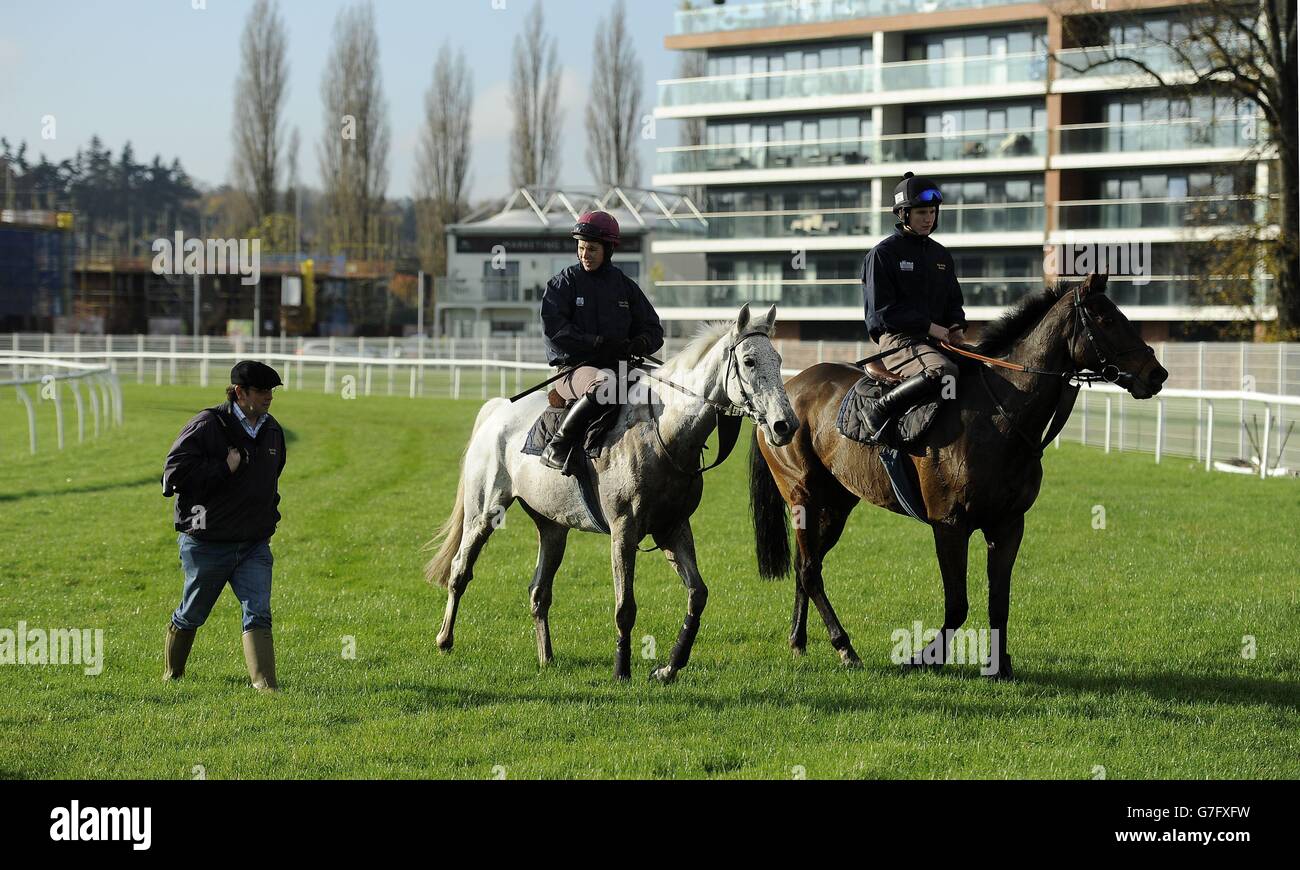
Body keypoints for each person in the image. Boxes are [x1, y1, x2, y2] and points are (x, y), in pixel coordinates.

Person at [160, 360, 287, 692]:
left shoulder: (273, 430)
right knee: (192, 614)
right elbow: (172, 476)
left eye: (271, 391)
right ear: (240, 392)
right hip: (207, 543)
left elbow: (272, 479)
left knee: (258, 610)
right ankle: (173, 675)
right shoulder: (207, 425)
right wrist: (223, 468)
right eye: (261, 391)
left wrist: (268, 517)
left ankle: (266, 687)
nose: (268, 397)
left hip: (254, 545)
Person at [538, 210, 664, 471]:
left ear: (608, 249)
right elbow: (555, 331)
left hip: (620, 368)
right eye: (581, 248)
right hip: (573, 371)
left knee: (663, 385)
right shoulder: (563, 284)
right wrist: (597, 343)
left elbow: (653, 329)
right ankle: (558, 446)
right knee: (606, 384)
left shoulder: (625, 286)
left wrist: (639, 343)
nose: (585, 255)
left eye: (592, 249)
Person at [861, 172, 967, 441]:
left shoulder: (941, 254)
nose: (929, 218)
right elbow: (883, 312)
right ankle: (879, 410)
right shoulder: (882, 255)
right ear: (903, 215)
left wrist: (956, 326)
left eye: (932, 212)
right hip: (897, 341)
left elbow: (954, 300)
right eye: (921, 212)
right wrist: (931, 327)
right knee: (944, 372)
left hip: (937, 341)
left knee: (984, 369)